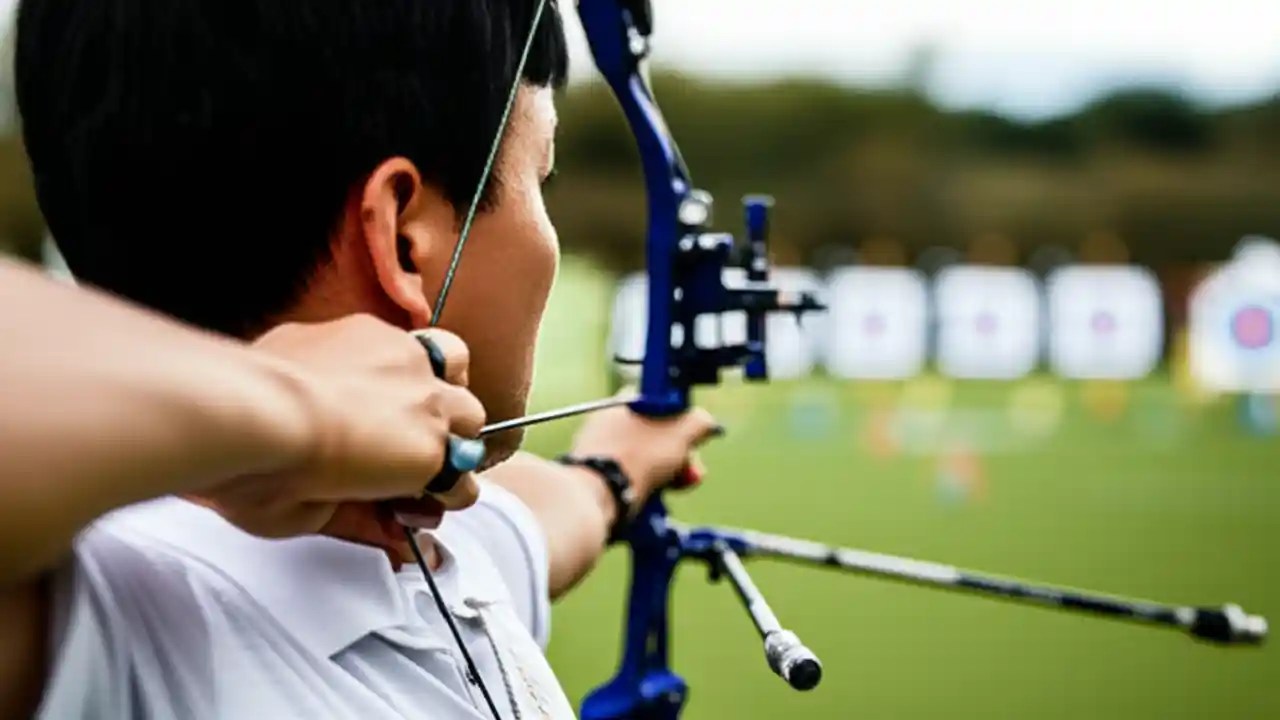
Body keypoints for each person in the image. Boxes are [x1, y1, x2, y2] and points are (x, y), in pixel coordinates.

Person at [5, 0, 721, 718]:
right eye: (544, 179)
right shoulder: (113, 632)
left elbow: (539, 515)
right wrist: (302, 407)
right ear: (407, 241)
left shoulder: (442, 555)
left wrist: (613, 472)